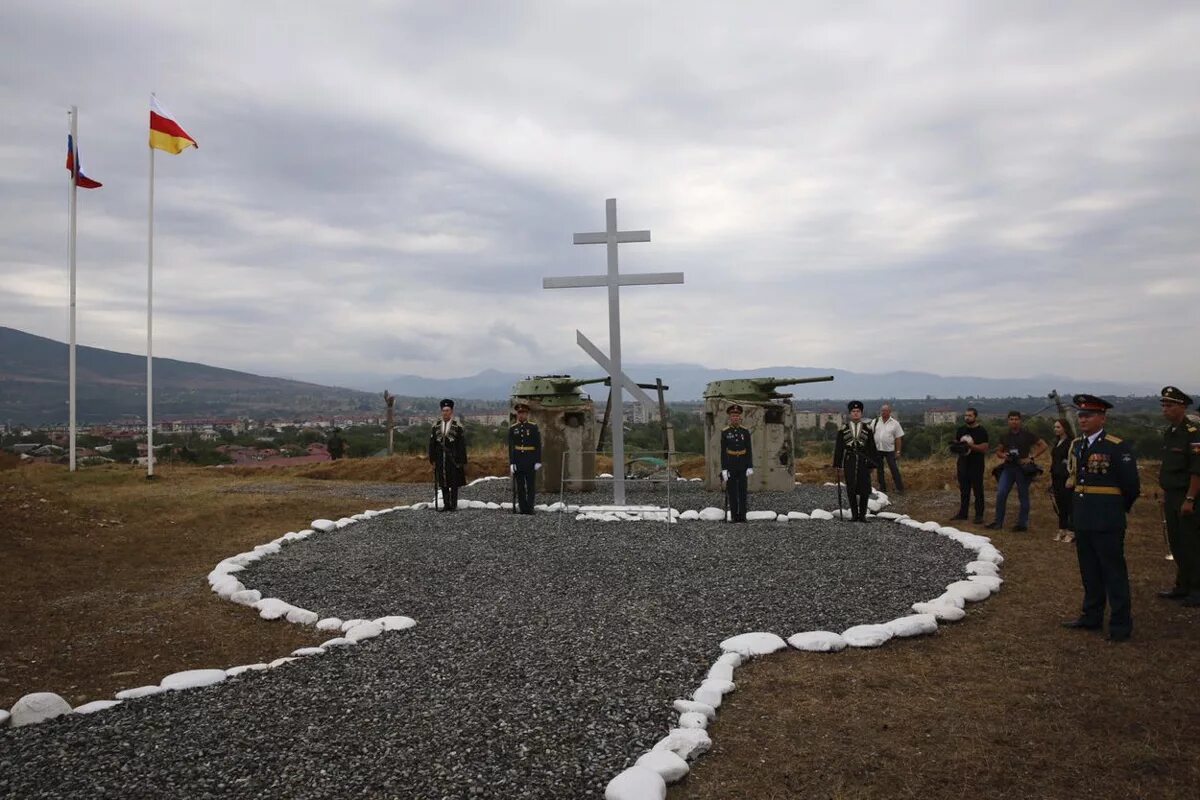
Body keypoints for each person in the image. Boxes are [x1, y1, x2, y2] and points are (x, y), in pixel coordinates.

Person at [1062, 394, 1140, 642]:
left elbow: (1131, 486)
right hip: (1083, 517)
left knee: (1113, 572)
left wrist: (1117, 509)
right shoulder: (1078, 445)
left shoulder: (1116, 446)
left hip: (1107, 518)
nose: (1083, 419)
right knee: (1090, 571)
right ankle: (1091, 616)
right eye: (1081, 415)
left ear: (1102, 418)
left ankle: (1120, 624)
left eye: (1089, 415)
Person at [1157, 386, 1200, 607]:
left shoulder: (1193, 433)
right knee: (1176, 542)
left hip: (1187, 495)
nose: (1165, 409)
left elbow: (1197, 469)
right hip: (1172, 494)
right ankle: (1182, 585)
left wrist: (1190, 498)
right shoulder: (1170, 432)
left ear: (1182, 406)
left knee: (1191, 542)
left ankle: (1196, 588)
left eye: (1170, 405)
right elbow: (1169, 467)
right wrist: (1165, 493)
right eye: (1163, 405)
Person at [986, 410, 1048, 532]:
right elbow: (998, 451)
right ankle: (998, 522)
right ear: (1008, 421)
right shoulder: (1005, 436)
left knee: (1023, 495)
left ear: (1020, 420)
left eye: (1016, 419)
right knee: (1001, 493)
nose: (1014, 421)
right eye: (1011, 419)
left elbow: (1043, 445)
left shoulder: (1027, 434)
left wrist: (1031, 457)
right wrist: (1004, 455)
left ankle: (1022, 524)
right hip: (1008, 468)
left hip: (1022, 469)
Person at [832, 400, 879, 522]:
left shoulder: (867, 429)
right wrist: (837, 464)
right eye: (853, 411)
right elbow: (839, 447)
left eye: (858, 411)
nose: (856, 413)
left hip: (863, 461)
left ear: (861, 413)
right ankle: (854, 515)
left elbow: (871, 447)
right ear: (850, 413)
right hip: (849, 461)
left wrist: (872, 464)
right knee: (851, 487)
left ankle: (862, 515)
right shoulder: (844, 429)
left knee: (864, 489)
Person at [950, 407, 989, 524]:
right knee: (964, 490)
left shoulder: (981, 431)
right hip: (963, 463)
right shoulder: (961, 430)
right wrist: (956, 446)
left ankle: (979, 515)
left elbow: (984, 448)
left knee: (978, 490)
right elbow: (957, 443)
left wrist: (970, 446)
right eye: (966, 415)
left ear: (975, 417)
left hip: (976, 463)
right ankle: (963, 513)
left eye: (970, 415)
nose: (967, 417)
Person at [428, 399, 467, 511]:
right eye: (443, 410)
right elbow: (432, 444)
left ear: (451, 411)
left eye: (447, 410)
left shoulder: (457, 426)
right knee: (443, 482)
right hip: (440, 458)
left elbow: (461, 445)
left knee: (454, 482)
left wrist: (461, 461)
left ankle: (453, 505)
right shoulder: (436, 426)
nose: (445, 412)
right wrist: (433, 459)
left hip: (453, 458)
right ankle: (446, 504)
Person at [720, 404, 753, 522]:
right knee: (732, 491)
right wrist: (724, 469)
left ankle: (742, 515)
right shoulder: (725, 432)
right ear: (730, 417)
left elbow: (749, 449)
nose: (735, 418)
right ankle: (734, 516)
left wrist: (750, 466)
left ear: (740, 417)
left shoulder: (745, 432)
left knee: (743, 491)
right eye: (733, 416)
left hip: (743, 463)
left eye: (737, 416)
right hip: (731, 463)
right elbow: (723, 452)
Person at [508, 402, 542, 515]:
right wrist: (512, 463)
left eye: (523, 413)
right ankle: (523, 508)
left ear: (527, 414)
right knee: (520, 486)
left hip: (530, 460)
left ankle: (530, 507)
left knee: (530, 486)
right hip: (518, 460)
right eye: (519, 413)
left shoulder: (533, 427)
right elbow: (511, 447)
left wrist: (538, 460)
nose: (521, 415)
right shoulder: (513, 428)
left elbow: (538, 445)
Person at [1049, 418, 1075, 542]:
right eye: (1055, 427)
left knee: (1068, 504)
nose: (1056, 429)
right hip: (1056, 476)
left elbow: (1072, 461)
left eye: (1058, 427)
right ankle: (1062, 529)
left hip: (1066, 477)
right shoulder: (1057, 442)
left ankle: (1071, 531)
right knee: (1060, 505)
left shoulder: (1071, 443)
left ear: (1065, 428)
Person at [872, 404, 905, 493]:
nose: (883, 412)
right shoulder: (875, 422)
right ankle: (882, 488)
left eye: (885, 410)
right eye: (882, 410)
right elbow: (870, 435)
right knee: (879, 470)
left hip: (890, 450)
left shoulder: (895, 423)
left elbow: (898, 438)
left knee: (893, 468)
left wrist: (898, 451)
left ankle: (900, 488)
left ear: (889, 412)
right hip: (878, 449)